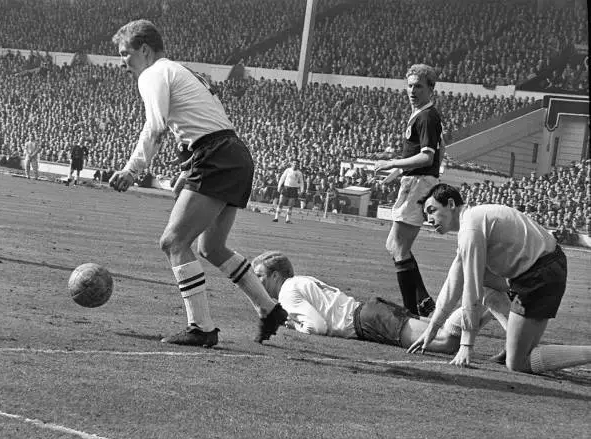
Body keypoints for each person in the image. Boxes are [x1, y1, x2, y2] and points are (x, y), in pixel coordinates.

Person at [108, 19, 287, 347]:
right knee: (211, 248)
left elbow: (156, 126)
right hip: (233, 153)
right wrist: (186, 169)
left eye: (125, 54)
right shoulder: (182, 71)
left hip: (215, 156)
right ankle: (269, 308)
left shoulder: (152, 73)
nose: (123, 63)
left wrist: (131, 171)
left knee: (173, 242)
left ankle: (201, 328)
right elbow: (199, 120)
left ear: (144, 50)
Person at [408, 183, 591, 375]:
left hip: (538, 275)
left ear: (451, 204)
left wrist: (466, 343)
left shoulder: (471, 228)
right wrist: (433, 327)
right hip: (544, 268)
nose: (429, 219)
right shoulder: (474, 219)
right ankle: (511, 343)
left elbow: (472, 289)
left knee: (518, 363)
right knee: (486, 288)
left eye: (432, 210)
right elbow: (454, 282)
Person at [252, 251, 508, 353]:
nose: (256, 282)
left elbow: (316, 327)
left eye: (260, 276)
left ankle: (490, 300)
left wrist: (293, 327)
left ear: (276, 275)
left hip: (367, 321)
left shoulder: (286, 291)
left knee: (446, 342)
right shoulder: (299, 280)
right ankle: (491, 304)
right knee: (439, 332)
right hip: (371, 311)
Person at [370, 64, 445, 318]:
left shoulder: (427, 117)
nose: (413, 90)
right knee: (394, 245)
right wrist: (398, 173)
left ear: (430, 89)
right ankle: (423, 301)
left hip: (420, 185)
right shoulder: (421, 115)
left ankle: (411, 311)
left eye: (419, 86)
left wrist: (392, 163)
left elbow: (427, 157)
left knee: (399, 247)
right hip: (414, 182)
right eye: (410, 85)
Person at [273, 159, 305, 223]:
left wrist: (302, 190)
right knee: (281, 202)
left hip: (294, 189)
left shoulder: (299, 173)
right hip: (286, 188)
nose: (295, 164)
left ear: (298, 165)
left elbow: (301, 182)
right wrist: (279, 186)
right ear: (292, 164)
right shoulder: (288, 170)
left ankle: (287, 219)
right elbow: (282, 178)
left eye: (296, 163)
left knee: (290, 205)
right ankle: (276, 217)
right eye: (294, 163)